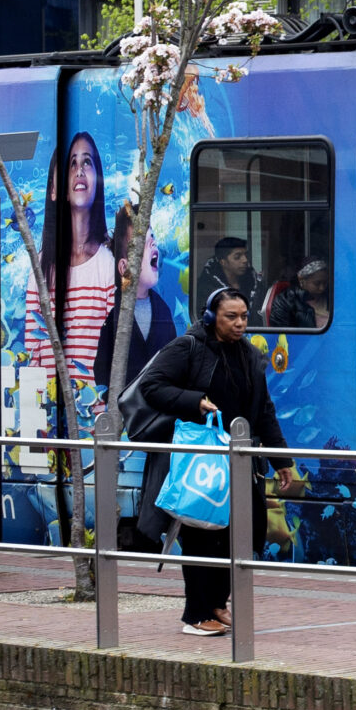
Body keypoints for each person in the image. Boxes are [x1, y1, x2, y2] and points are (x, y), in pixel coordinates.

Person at [123, 287, 302, 638]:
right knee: (201, 535)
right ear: (210, 317)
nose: (239, 324)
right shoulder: (187, 348)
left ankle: (219, 603)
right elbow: (151, 386)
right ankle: (195, 613)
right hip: (198, 459)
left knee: (237, 534)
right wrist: (195, 402)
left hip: (237, 459)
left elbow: (264, 410)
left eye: (244, 317)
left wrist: (282, 459)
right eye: (230, 317)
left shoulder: (250, 355)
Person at [32, 131, 115, 377]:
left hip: (97, 412)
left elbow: (113, 351)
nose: (79, 170)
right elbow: (32, 353)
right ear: (55, 191)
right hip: (49, 411)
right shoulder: (40, 266)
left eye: (87, 162)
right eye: (72, 163)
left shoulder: (108, 264)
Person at [94, 206, 179, 398]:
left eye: (153, 238)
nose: (153, 244)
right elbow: (101, 368)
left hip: (158, 408)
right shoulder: (113, 314)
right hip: (127, 410)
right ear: (124, 266)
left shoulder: (163, 311)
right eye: (142, 242)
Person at [207, 236, 264, 321]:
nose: (245, 260)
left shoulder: (253, 282)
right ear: (223, 262)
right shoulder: (209, 287)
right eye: (237, 257)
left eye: (246, 255)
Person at [268, 259, 333, 329]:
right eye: (317, 283)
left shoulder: (332, 297)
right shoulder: (284, 302)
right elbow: (282, 335)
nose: (322, 288)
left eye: (325, 283)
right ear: (302, 280)